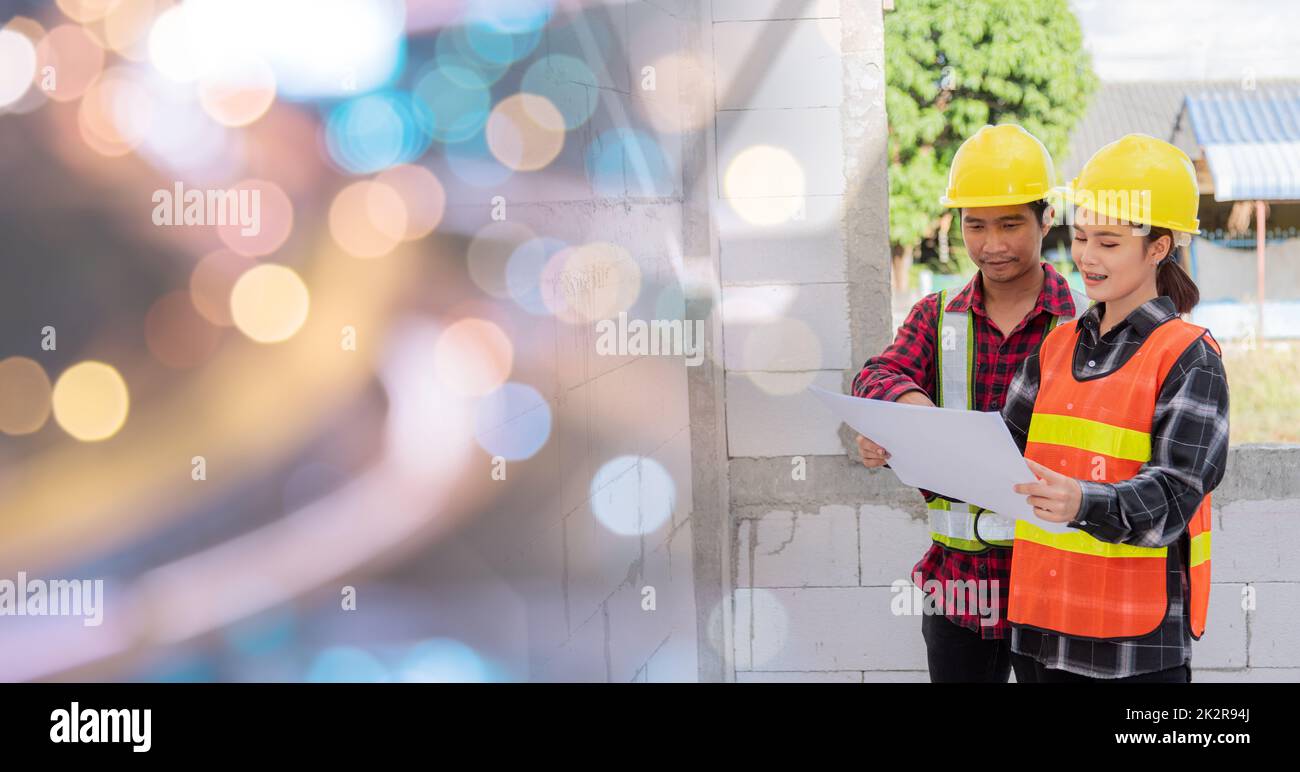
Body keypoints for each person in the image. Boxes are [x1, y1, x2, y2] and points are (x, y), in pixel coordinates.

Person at [852, 124, 1089, 683]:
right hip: (959, 585)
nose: (992, 243)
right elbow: (878, 375)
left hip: (1055, 579)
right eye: (975, 225)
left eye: (1010, 224)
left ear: (1045, 219)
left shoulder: (1087, 322)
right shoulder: (936, 316)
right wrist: (907, 420)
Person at [1002, 133, 1229, 682]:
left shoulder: (1188, 356)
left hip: (1130, 650)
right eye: (1080, 237)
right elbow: (999, 454)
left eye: (1108, 241)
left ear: (1158, 247)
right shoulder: (1054, 348)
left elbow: (1174, 497)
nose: (1086, 257)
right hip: (1039, 632)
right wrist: (906, 446)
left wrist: (1082, 500)